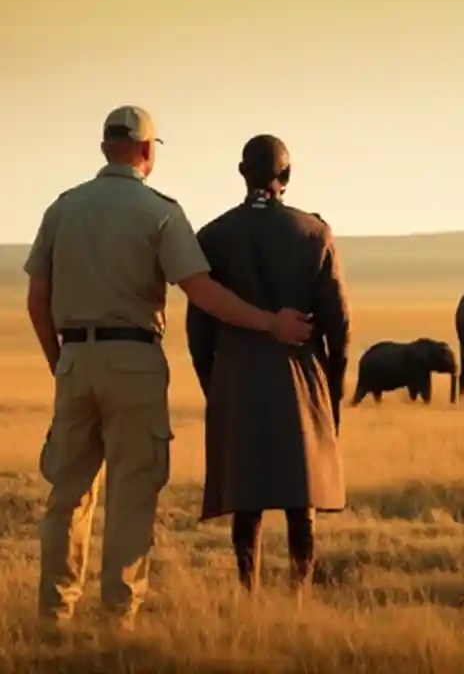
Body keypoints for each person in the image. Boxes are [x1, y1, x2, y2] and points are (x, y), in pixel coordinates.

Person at [24, 105, 315, 632]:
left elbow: (37, 297)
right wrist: (270, 323)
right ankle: (118, 619)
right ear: (145, 150)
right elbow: (203, 292)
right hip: (134, 361)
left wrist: (58, 359)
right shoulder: (157, 211)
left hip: (75, 359)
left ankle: (55, 617)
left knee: (67, 495)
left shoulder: (63, 208)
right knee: (132, 491)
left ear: (105, 147)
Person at [185, 133, 350, 598]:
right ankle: (298, 598)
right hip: (300, 379)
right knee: (303, 499)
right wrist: (331, 394)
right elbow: (339, 325)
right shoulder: (314, 233)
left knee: (247, 499)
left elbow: (199, 329)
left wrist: (215, 385)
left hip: (237, 378)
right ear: (288, 176)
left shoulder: (213, 236)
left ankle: (249, 595)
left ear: (242, 173)